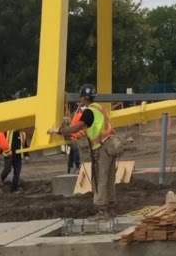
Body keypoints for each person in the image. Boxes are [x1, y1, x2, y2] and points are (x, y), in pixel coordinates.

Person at [50, 84, 124, 219]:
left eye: (81, 98)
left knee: (100, 179)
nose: (80, 100)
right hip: (112, 146)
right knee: (109, 178)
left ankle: (102, 211)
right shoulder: (100, 108)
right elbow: (96, 127)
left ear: (84, 98)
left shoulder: (88, 112)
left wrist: (58, 130)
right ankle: (110, 208)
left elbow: (75, 128)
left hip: (102, 148)